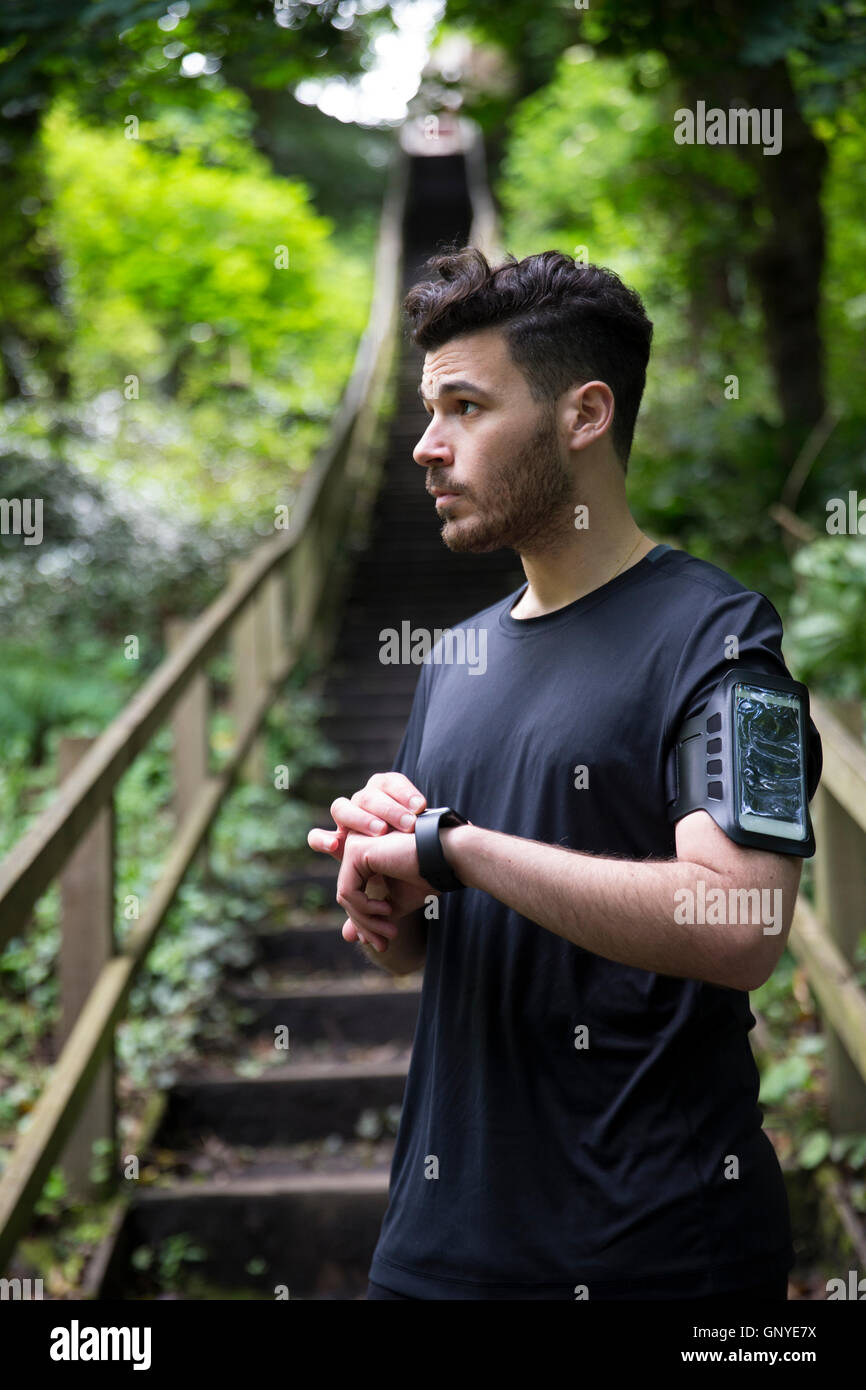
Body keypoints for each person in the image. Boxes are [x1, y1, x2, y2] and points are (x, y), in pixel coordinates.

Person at [307, 246, 823, 1301]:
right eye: (426, 410)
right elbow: (429, 945)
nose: (425, 447)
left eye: (463, 407)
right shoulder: (453, 659)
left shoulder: (722, 644)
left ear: (582, 415)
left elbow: (738, 925)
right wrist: (388, 898)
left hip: (658, 1259)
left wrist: (457, 845)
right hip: (433, 1254)